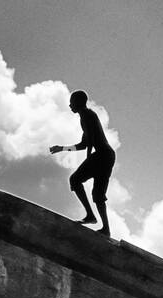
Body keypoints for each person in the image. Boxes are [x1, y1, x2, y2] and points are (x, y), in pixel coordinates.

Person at [49, 90, 115, 237]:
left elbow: (90, 141)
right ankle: (102, 226)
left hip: (102, 155)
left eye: (72, 102)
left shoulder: (87, 115)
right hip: (106, 156)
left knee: (75, 180)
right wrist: (63, 148)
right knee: (97, 195)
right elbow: (83, 144)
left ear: (79, 102)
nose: (70, 105)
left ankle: (95, 219)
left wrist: (88, 159)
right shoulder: (84, 117)